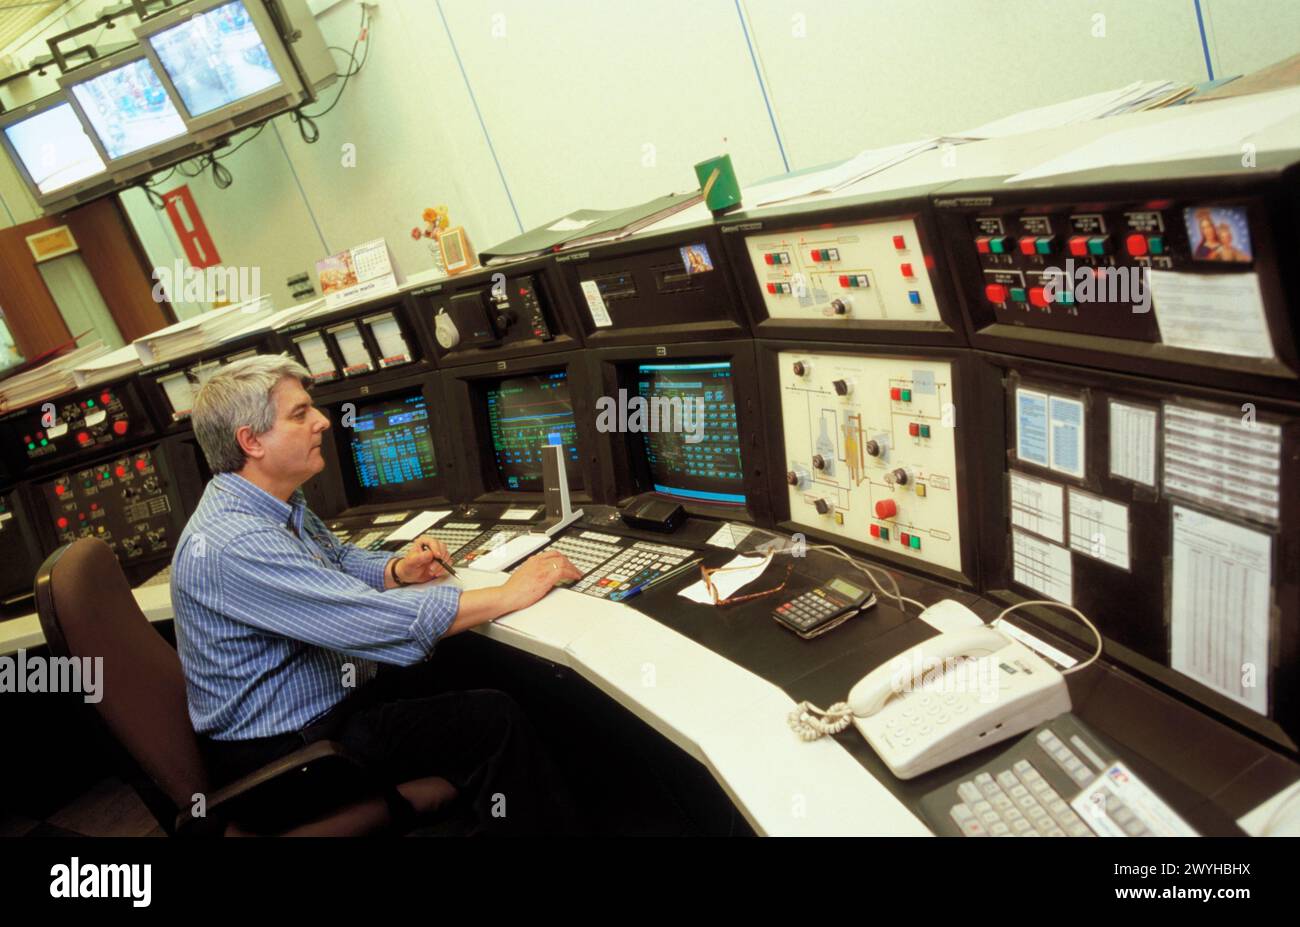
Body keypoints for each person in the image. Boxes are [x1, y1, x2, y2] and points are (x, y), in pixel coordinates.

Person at [172, 354, 582, 833]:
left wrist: (397, 570)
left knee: (474, 667)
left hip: (319, 714)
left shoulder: (268, 502)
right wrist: (508, 593)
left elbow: (338, 561)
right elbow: (368, 621)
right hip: (293, 758)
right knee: (494, 719)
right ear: (251, 441)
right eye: (300, 414)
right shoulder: (236, 542)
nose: (323, 421)